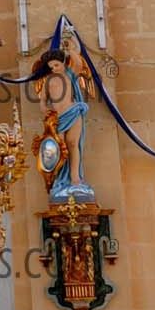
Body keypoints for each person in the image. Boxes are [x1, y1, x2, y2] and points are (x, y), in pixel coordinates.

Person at [35, 46, 94, 199]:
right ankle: (61, 179)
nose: (54, 68)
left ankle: (75, 178)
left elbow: (78, 63)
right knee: (59, 148)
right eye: (51, 67)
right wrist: (44, 108)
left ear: (63, 63)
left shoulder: (69, 74)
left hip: (73, 113)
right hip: (58, 118)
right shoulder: (48, 80)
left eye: (56, 65)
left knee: (72, 144)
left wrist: (69, 51)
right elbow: (42, 100)